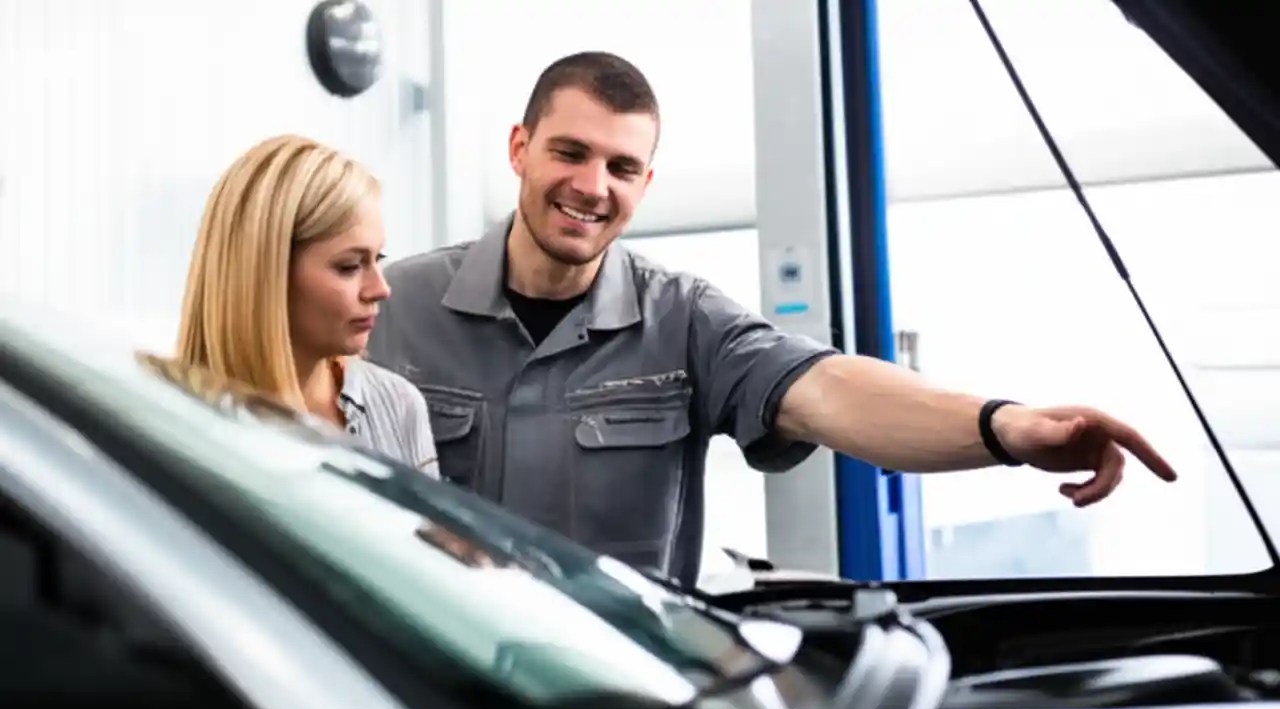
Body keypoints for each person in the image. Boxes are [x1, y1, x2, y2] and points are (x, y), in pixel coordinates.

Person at [366, 52, 1175, 586]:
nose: (592, 185)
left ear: (647, 181)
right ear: (519, 148)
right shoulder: (389, 310)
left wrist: (1008, 428)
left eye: (622, 166)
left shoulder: (682, 319)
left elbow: (831, 391)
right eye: (570, 153)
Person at [175, 134, 439, 478]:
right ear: (265, 275)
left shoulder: (399, 405)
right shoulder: (175, 428)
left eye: (378, 258)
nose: (380, 289)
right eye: (349, 266)